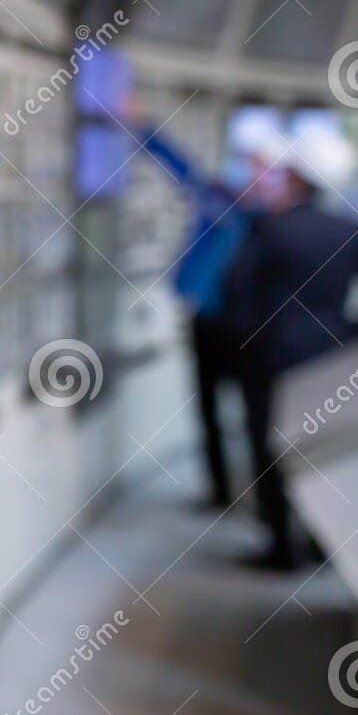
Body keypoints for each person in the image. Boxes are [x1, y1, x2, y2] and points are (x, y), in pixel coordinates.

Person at [222, 125, 358, 570]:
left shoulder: (270, 228)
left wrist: (247, 342)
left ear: (297, 178)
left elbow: (236, 292)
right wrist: (357, 331)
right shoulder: (349, 230)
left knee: (271, 448)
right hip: (332, 356)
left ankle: (282, 546)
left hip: (273, 356)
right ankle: (324, 542)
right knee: (321, 449)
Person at [135, 111, 288, 509]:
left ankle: (261, 492)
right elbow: (181, 169)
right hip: (208, 317)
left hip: (251, 326)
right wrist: (141, 126)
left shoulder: (273, 221)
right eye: (251, 163)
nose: (254, 174)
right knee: (207, 406)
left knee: (257, 413)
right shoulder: (218, 199)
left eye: (264, 167)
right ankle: (220, 489)